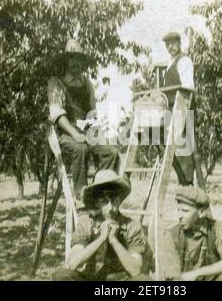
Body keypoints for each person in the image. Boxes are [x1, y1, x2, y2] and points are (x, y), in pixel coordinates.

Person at [47, 39, 120, 200]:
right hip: (66, 135)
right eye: (72, 59)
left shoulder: (87, 84)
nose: (76, 63)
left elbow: (92, 113)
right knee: (81, 150)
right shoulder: (56, 83)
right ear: (66, 61)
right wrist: (74, 134)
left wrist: (99, 134)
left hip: (86, 134)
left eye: (79, 59)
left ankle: (100, 191)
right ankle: (81, 196)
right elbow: (58, 115)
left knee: (111, 152)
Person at [52, 169, 150, 281]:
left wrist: (113, 240)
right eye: (104, 201)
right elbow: (72, 264)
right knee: (61, 276)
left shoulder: (132, 226)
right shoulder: (86, 223)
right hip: (90, 278)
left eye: (114, 201)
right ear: (96, 202)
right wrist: (101, 238)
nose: (110, 208)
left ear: (120, 200)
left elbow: (135, 270)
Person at [160, 186, 222, 281]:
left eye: (185, 211)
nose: (180, 215)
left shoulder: (217, 228)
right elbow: (173, 275)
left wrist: (196, 273)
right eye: (179, 210)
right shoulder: (172, 235)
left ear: (201, 212)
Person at [161, 32, 197, 187]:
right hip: (169, 109)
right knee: (163, 141)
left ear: (179, 42)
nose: (170, 47)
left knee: (183, 147)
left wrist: (181, 114)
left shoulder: (184, 61)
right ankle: (183, 180)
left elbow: (187, 88)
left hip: (181, 108)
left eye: (173, 43)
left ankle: (187, 183)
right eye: (167, 44)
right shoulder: (170, 63)